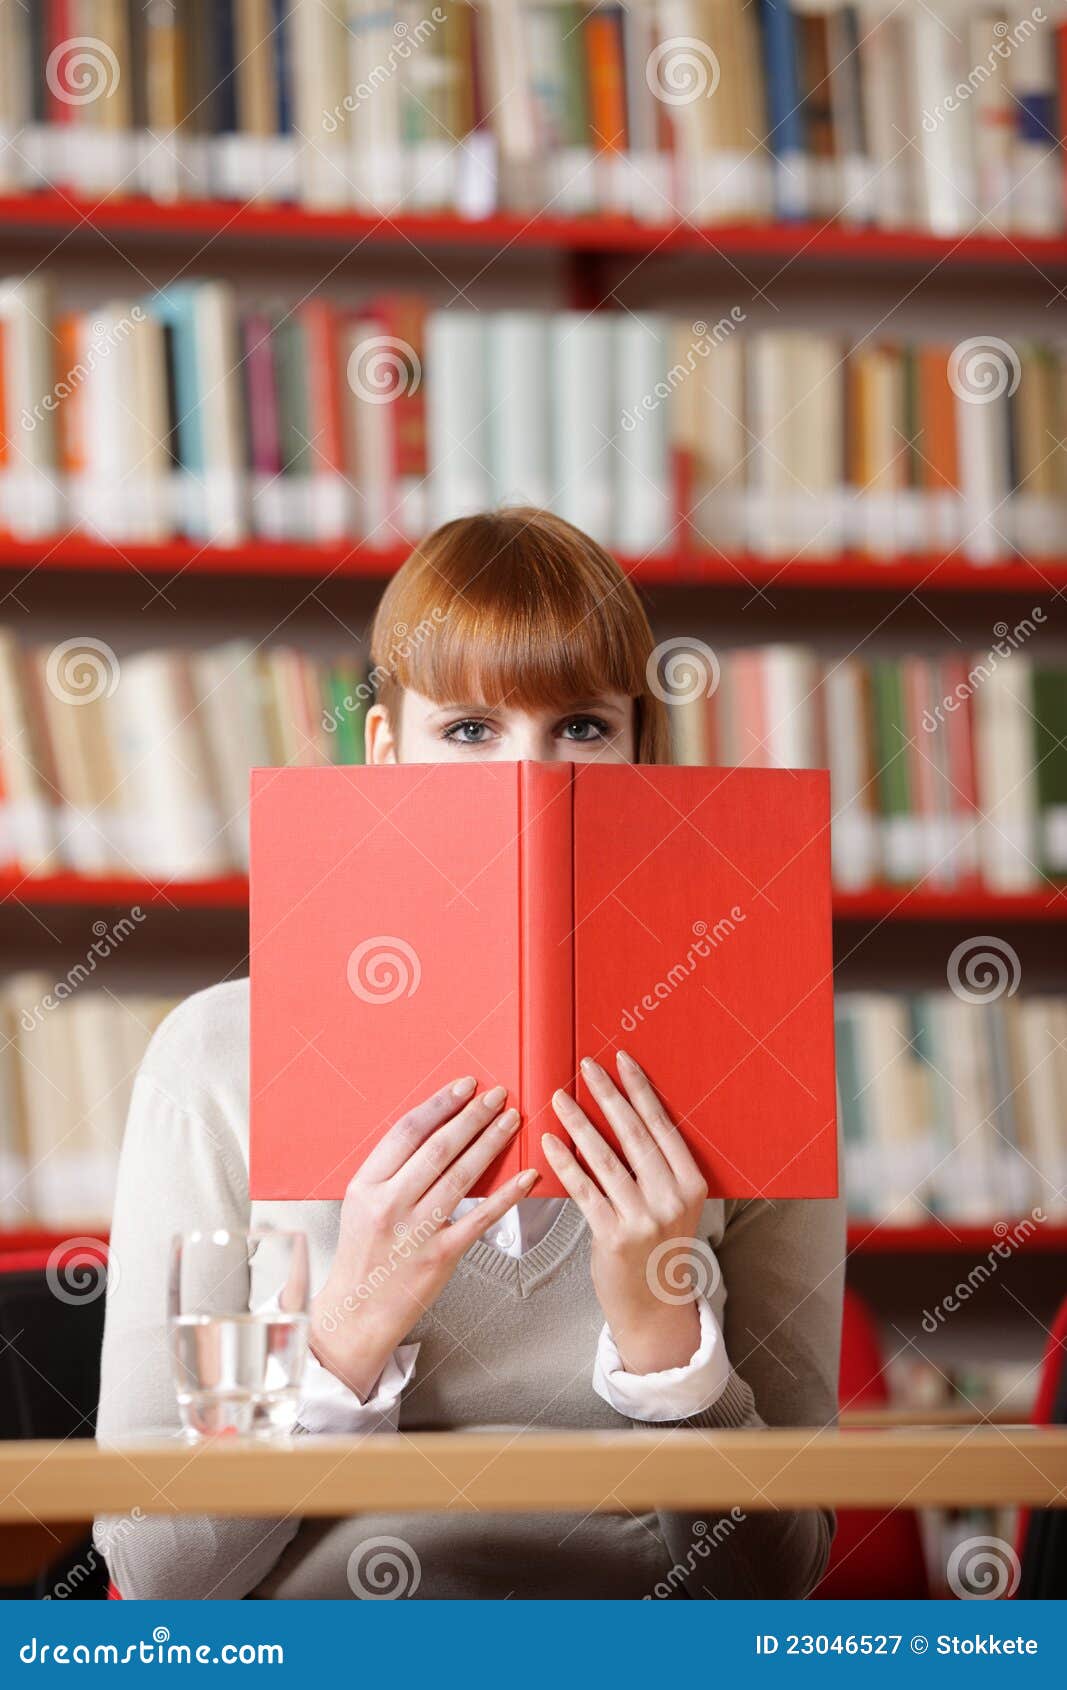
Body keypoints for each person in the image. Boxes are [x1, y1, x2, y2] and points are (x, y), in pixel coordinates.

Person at [94, 507, 845, 1600]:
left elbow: (771, 1584)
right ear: (384, 755)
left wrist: (662, 1330)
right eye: (468, 730)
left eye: (581, 727)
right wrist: (351, 1324)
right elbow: (161, 1577)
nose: (525, 781)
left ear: (644, 756)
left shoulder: (759, 1050)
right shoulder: (210, 1058)